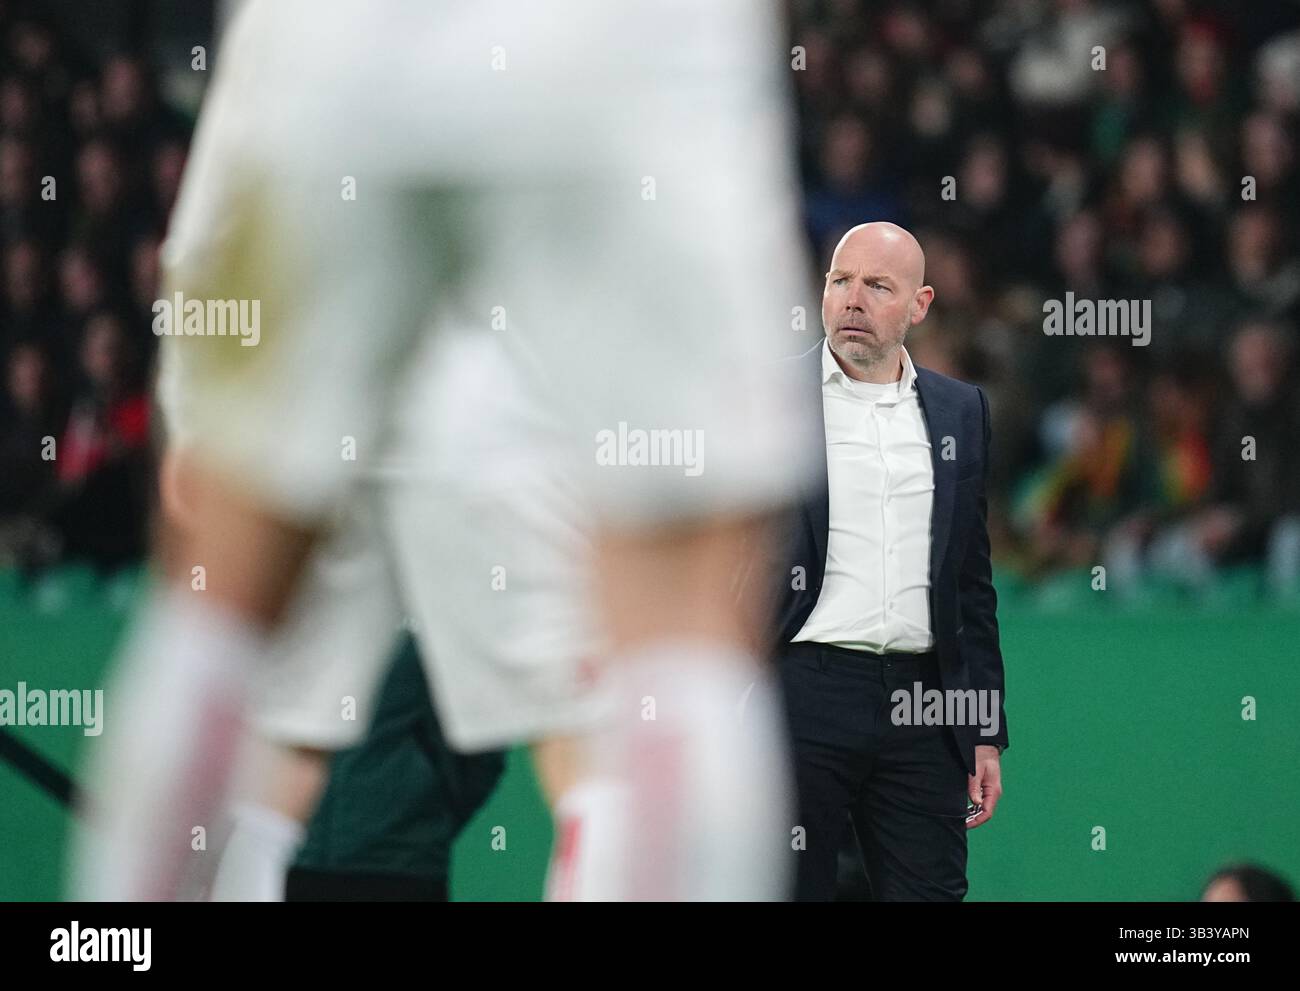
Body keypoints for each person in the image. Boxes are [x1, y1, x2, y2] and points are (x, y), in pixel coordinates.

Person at [72, 0, 815, 902]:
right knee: (671, 638)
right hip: (618, 43)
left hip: (342, 47)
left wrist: (191, 389)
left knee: (224, 610)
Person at [769, 222, 1008, 901]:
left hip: (924, 704)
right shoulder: (770, 397)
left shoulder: (962, 411)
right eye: (840, 281)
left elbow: (971, 583)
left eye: (877, 286)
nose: (852, 300)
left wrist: (983, 728)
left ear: (920, 304)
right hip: (803, 685)